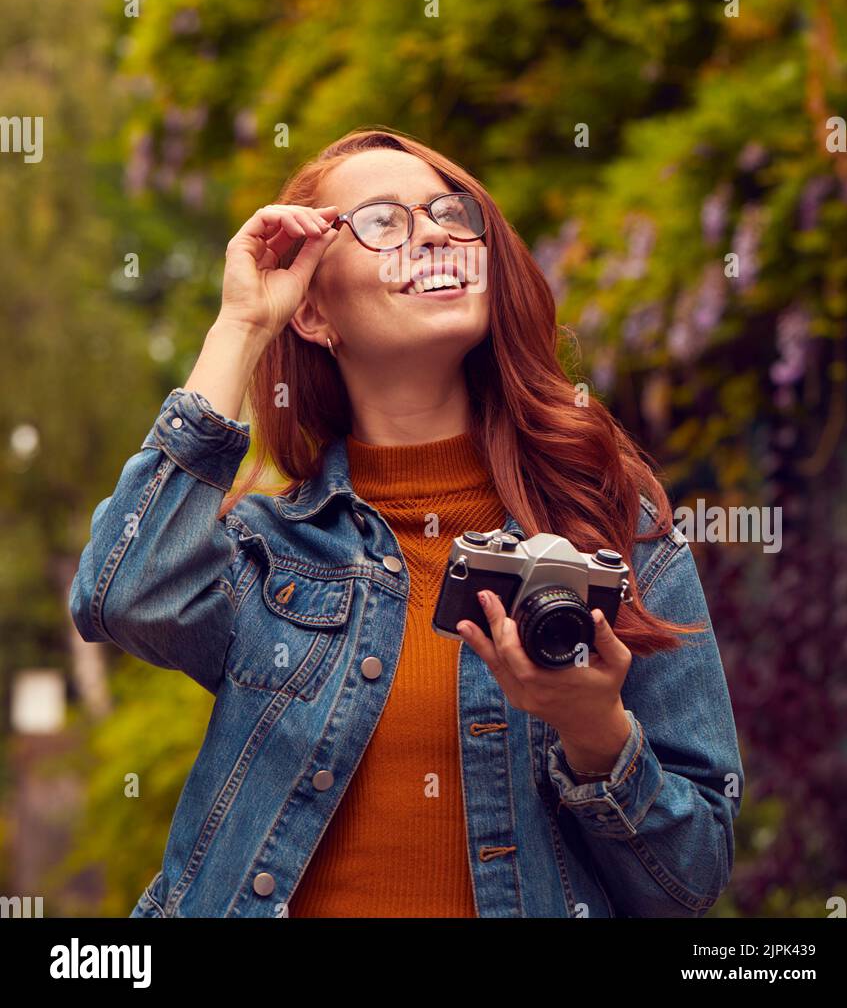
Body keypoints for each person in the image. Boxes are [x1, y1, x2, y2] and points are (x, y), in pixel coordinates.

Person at [69, 126, 744, 918]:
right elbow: (122, 595)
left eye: (450, 213)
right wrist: (242, 327)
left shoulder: (612, 526)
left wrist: (594, 729)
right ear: (315, 313)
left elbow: (693, 878)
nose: (432, 232)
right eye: (383, 221)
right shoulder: (268, 551)